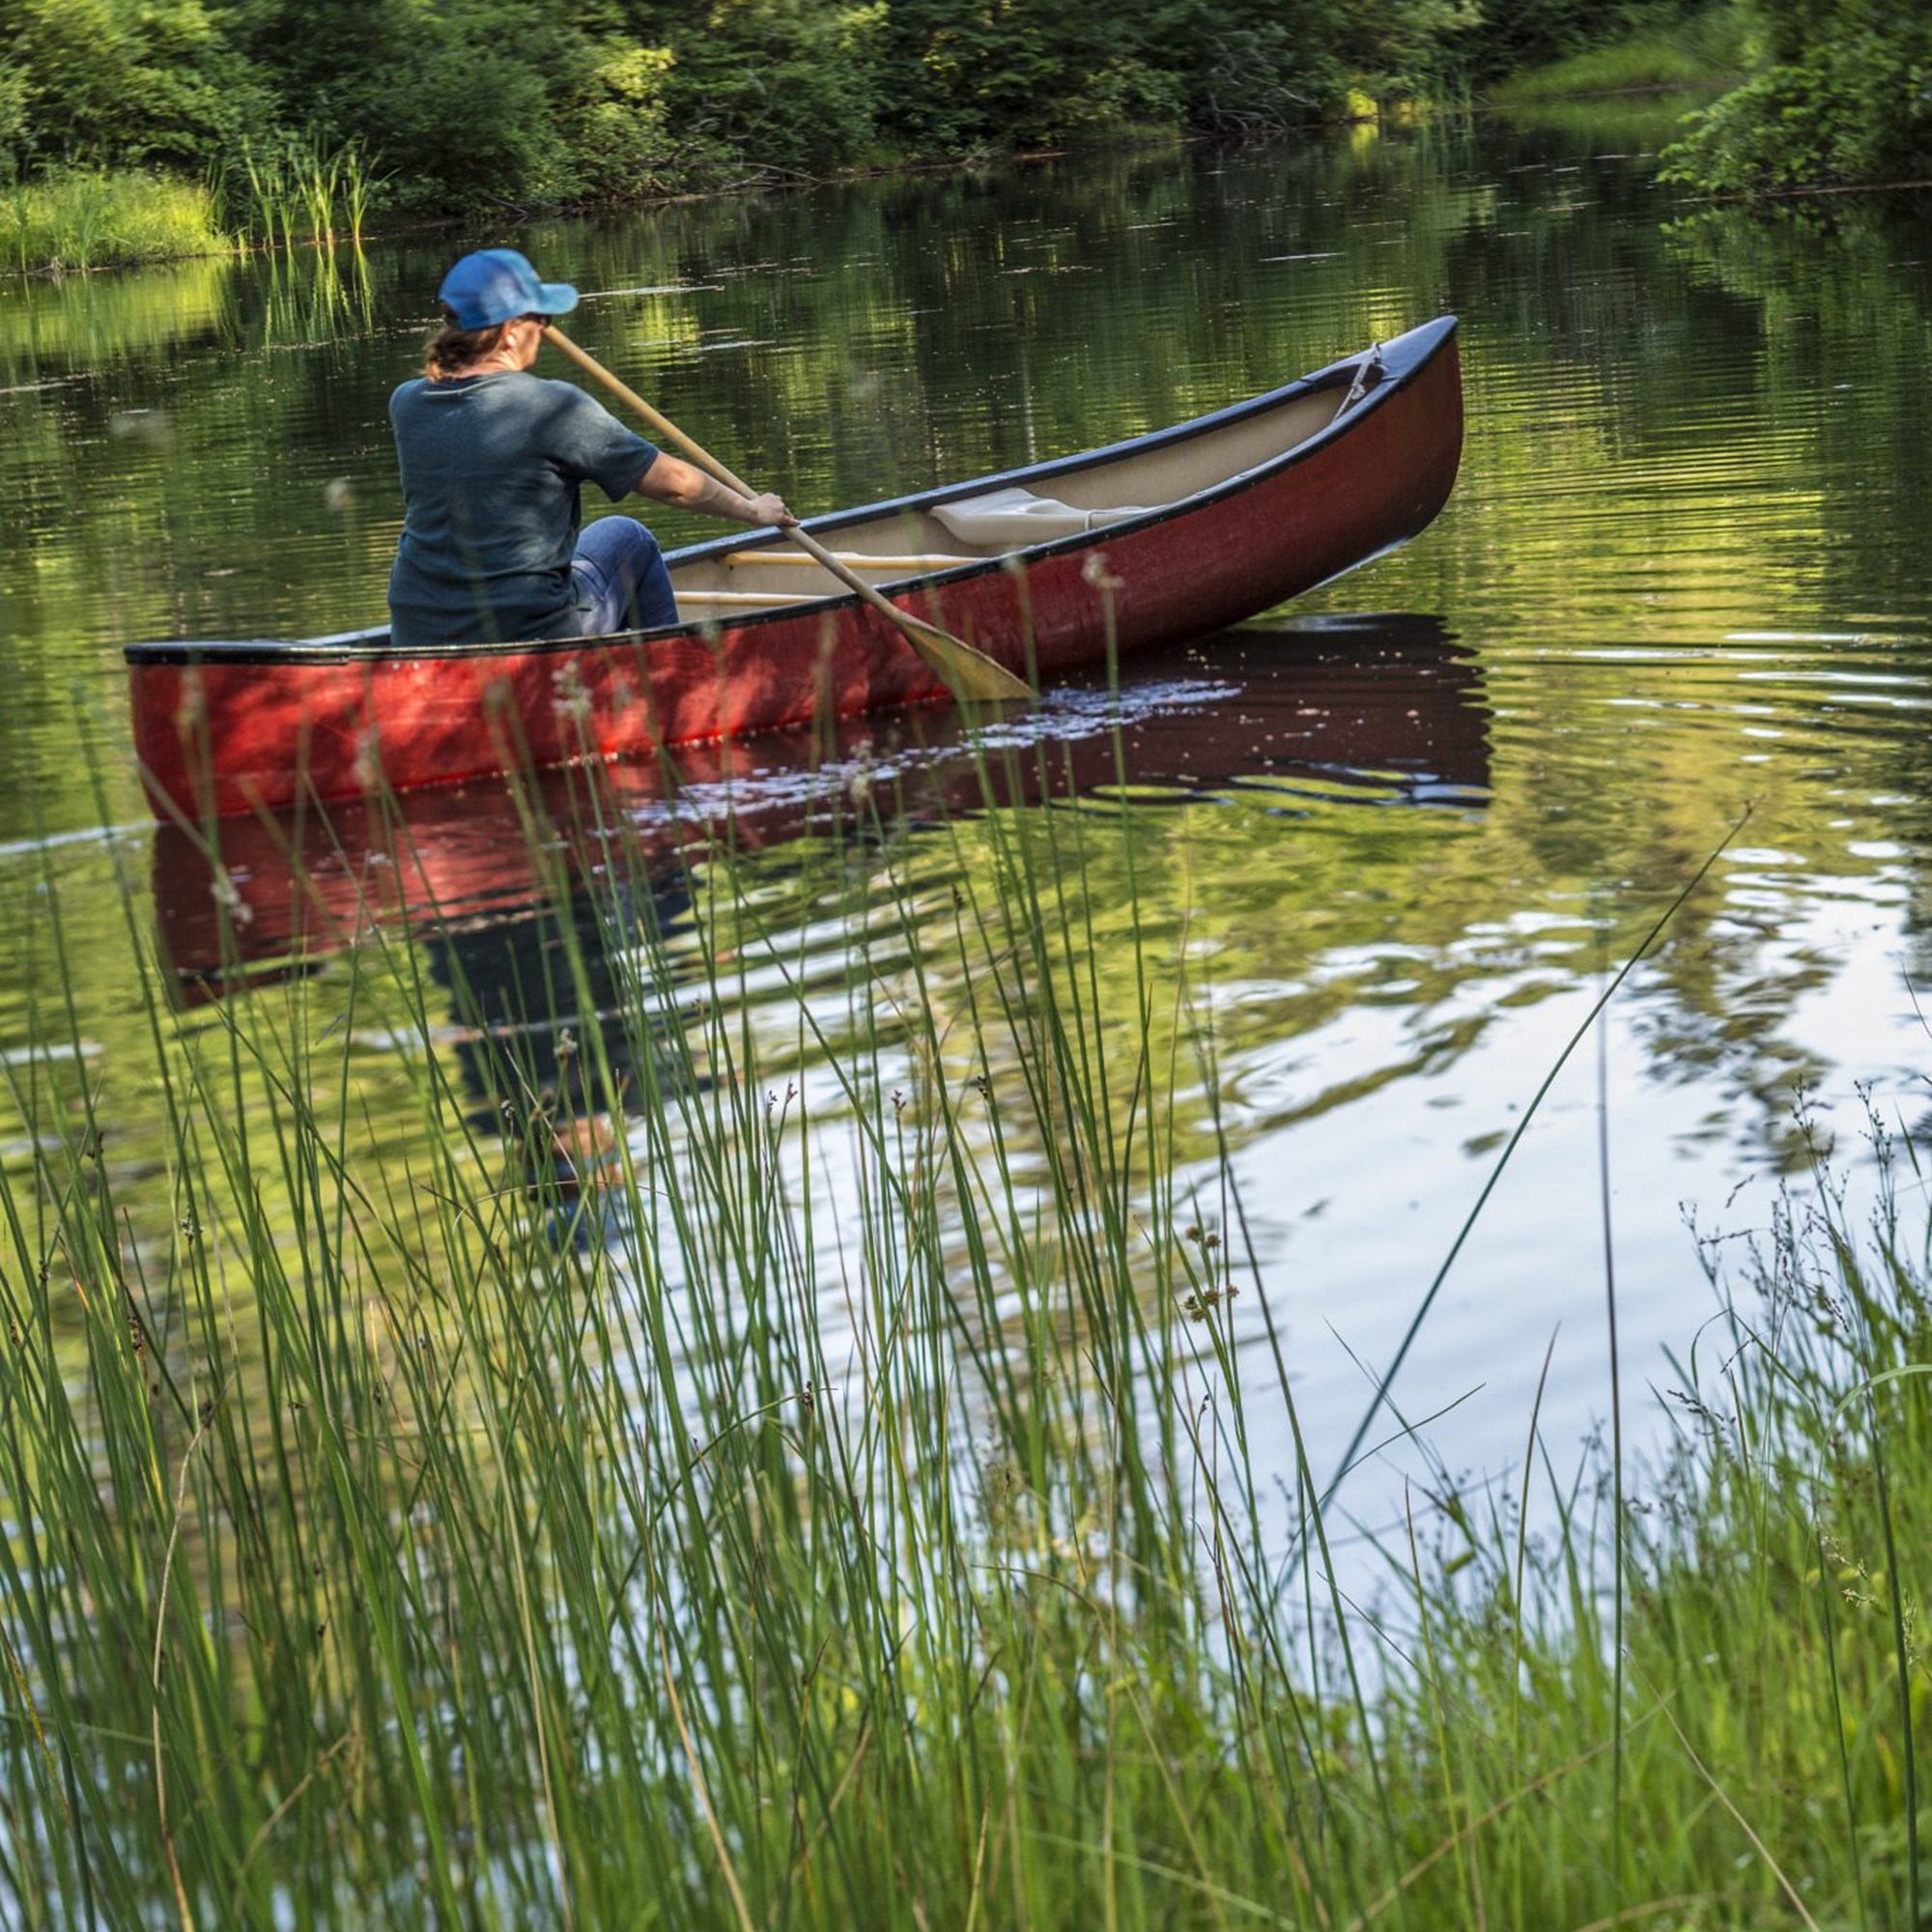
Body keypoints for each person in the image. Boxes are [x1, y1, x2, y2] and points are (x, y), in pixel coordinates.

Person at [386, 247, 791, 650]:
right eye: (540, 318)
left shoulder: (406, 403)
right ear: (509, 332)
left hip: (418, 635)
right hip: (530, 634)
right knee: (629, 536)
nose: (544, 328)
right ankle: (663, 675)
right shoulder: (553, 407)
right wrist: (752, 510)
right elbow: (675, 484)